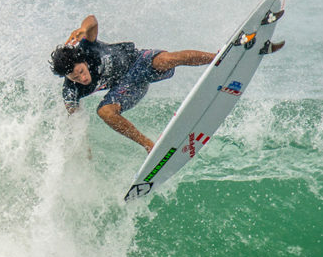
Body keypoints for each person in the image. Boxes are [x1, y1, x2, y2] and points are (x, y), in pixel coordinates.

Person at [49, 14, 218, 153]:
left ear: (83, 61)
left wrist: (83, 29)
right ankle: (149, 146)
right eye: (75, 77)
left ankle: (217, 57)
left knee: (166, 59)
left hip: (138, 61)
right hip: (126, 88)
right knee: (105, 112)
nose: (83, 78)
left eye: (81, 72)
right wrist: (85, 149)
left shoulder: (87, 48)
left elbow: (92, 20)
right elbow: (76, 121)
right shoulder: (71, 91)